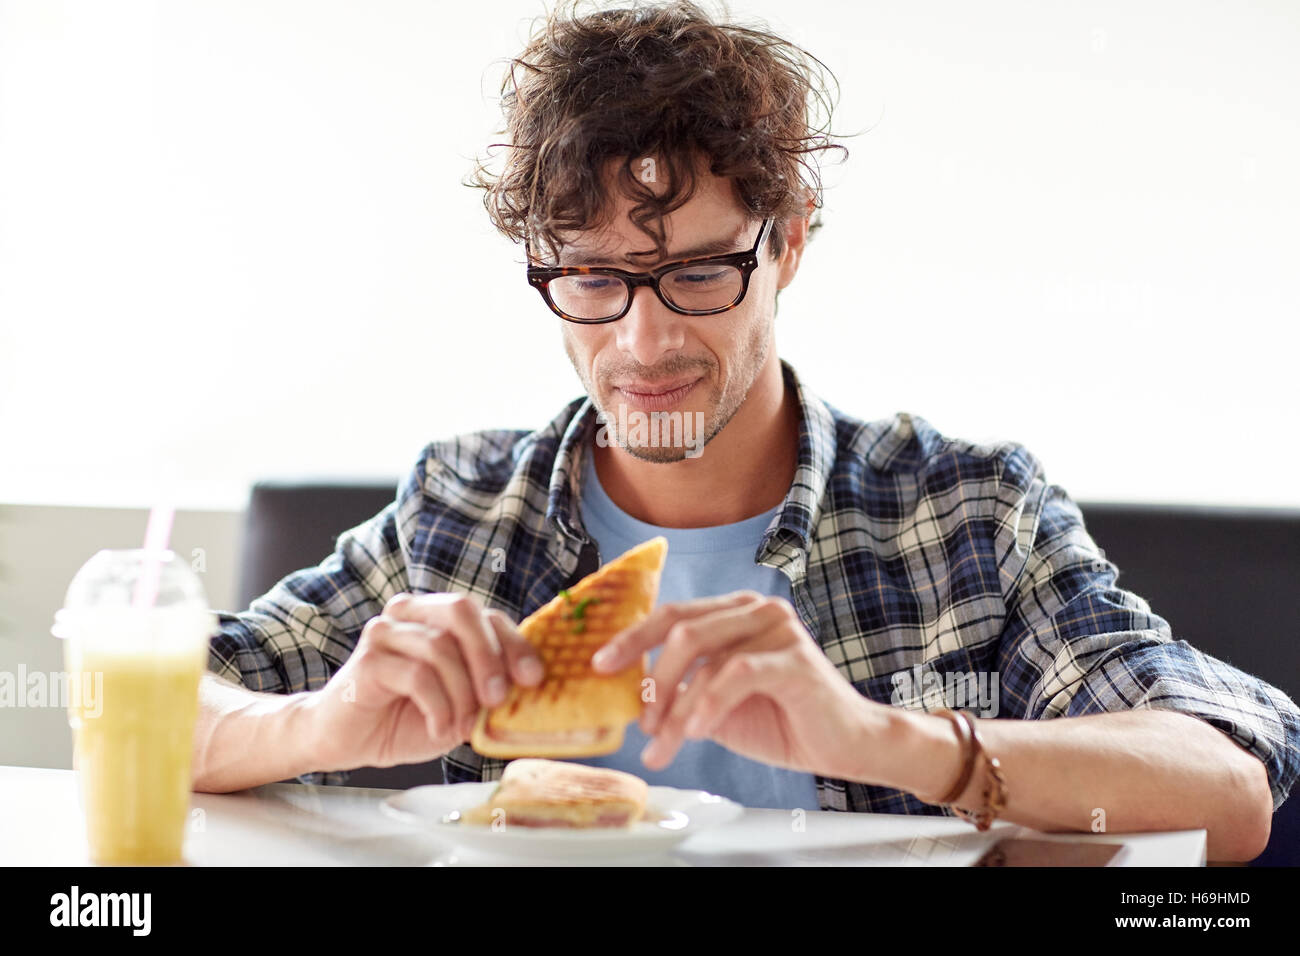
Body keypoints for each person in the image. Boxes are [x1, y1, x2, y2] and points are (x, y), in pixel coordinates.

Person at [198, 0, 1299, 862]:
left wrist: (885, 741)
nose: (641, 340)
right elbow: (162, 705)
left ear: (789, 242)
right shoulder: (462, 507)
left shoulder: (966, 511)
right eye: (591, 276)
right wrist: (324, 725)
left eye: (695, 270)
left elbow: (1225, 786)